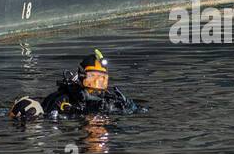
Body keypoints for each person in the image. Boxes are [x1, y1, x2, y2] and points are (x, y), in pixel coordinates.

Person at [9, 48, 138, 120]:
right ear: (81, 77)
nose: (97, 84)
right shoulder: (63, 99)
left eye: (102, 79)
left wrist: (129, 106)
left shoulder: (108, 101)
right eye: (92, 78)